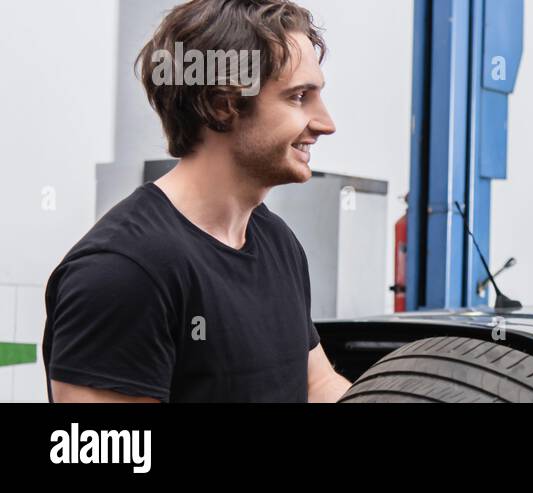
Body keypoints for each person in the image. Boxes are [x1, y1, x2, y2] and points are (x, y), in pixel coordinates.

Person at [42, 0, 351, 402]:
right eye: (298, 97)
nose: (326, 123)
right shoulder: (124, 271)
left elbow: (317, 385)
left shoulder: (275, 241)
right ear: (223, 103)